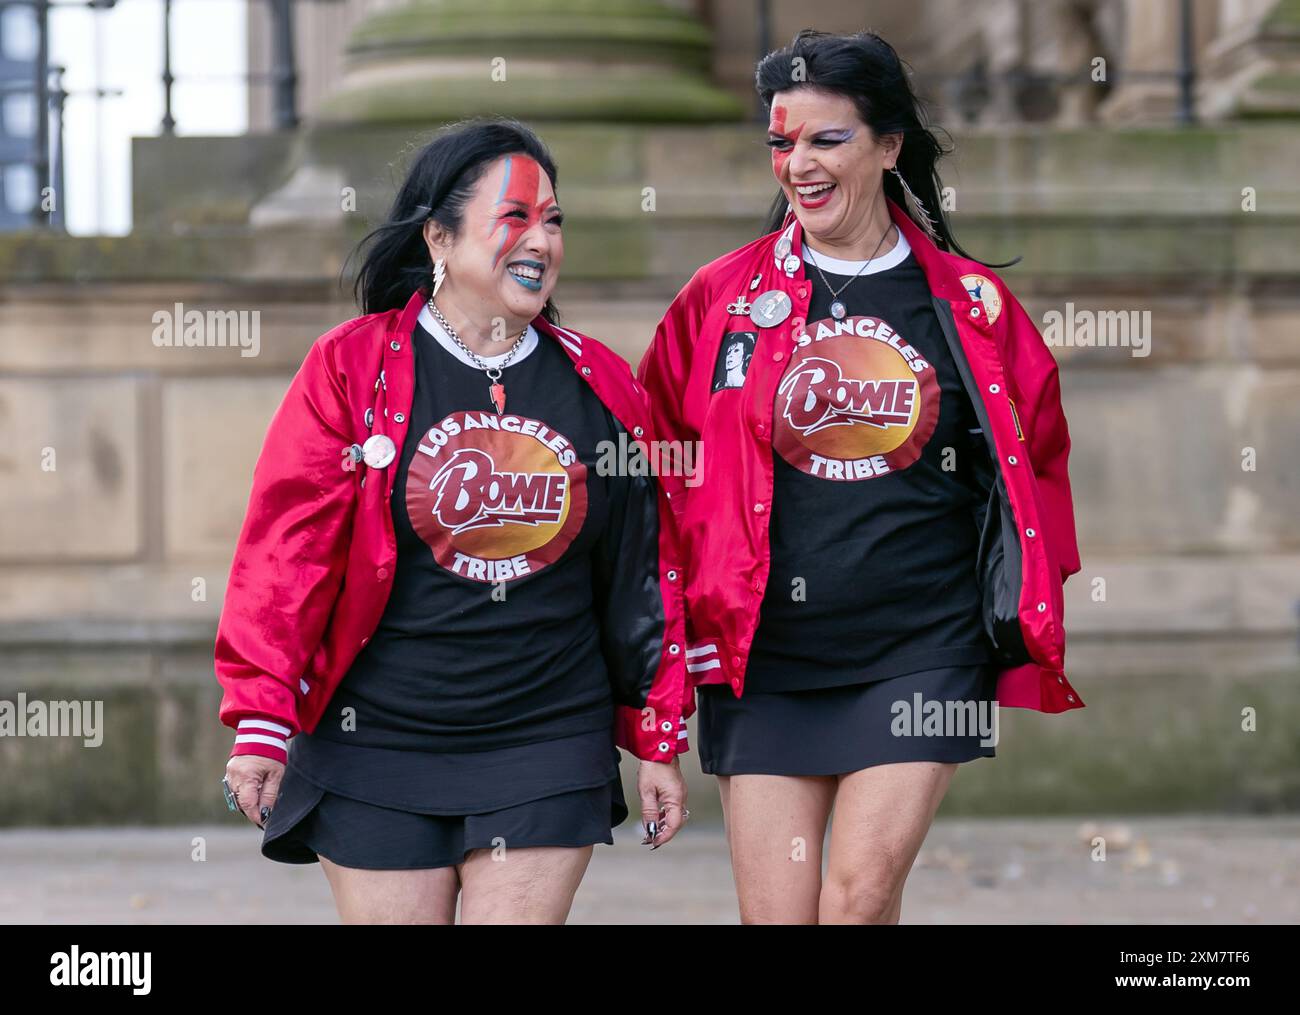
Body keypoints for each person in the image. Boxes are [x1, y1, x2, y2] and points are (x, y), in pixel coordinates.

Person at [637, 30, 1083, 924]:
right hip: (760, 656)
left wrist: (1022, 597)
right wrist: (662, 676)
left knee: (857, 898)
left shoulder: (972, 305)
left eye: (824, 140)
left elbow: (1036, 456)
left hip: (922, 648)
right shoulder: (716, 300)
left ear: (887, 146)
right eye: (781, 142)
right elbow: (655, 478)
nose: (797, 163)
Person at [217, 118, 691, 924]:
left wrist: (658, 732)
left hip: (546, 736)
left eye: (554, 220)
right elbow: (285, 551)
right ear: (438, 235)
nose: (542, 238)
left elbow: (641, 571)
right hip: (378, 741)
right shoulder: (351, 367)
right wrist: (262, 720)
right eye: (516, 217)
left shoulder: (603, 382)